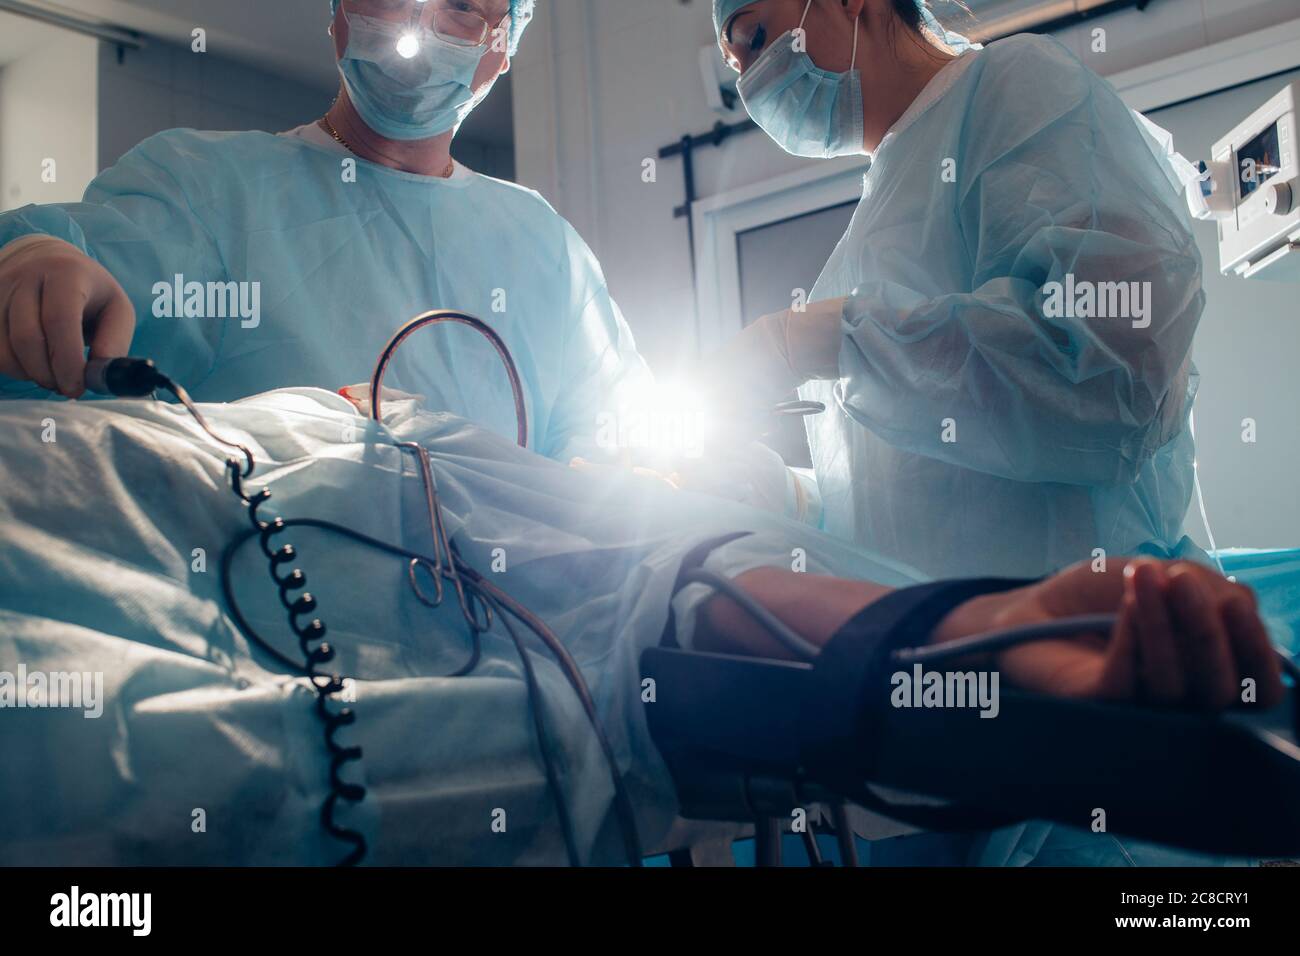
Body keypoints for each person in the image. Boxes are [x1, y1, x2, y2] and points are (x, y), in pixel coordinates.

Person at [0, 0, 649, 465]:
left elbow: (610, 442)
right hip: (268, 635)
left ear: (503, 45)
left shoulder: (543, 245)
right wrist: (33, 259)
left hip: (511, 640)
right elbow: (72, 302)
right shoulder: (212, 189)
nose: (414, 23)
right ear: (337, 13)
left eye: (457, 6)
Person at [708, 0, 1207, 581]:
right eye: (733, 63)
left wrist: (820, 339)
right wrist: (796, 498)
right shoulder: (882, 205)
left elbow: (1116, 370)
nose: (749, 78)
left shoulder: (1015, 87)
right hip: (950, 646)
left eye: (754, 36)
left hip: (1087, 634)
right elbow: (928, 494)